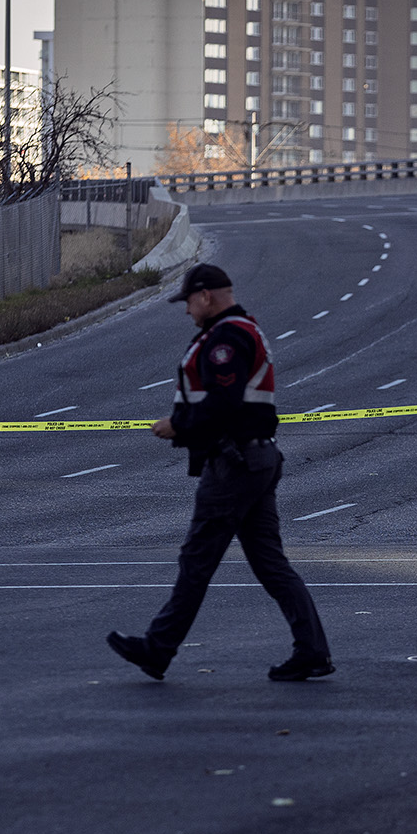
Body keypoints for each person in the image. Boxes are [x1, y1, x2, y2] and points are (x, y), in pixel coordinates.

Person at [107, 263, 333, 683]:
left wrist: (179, 425)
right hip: (257, 459)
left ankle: (157, 649)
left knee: (197, 560)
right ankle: (312, 651)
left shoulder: (226, 337)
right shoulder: (245, 329)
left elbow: (223, 402)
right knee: (270, 564)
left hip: (234, 465)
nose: (187, 311)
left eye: (189, 302)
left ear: (206, 296)